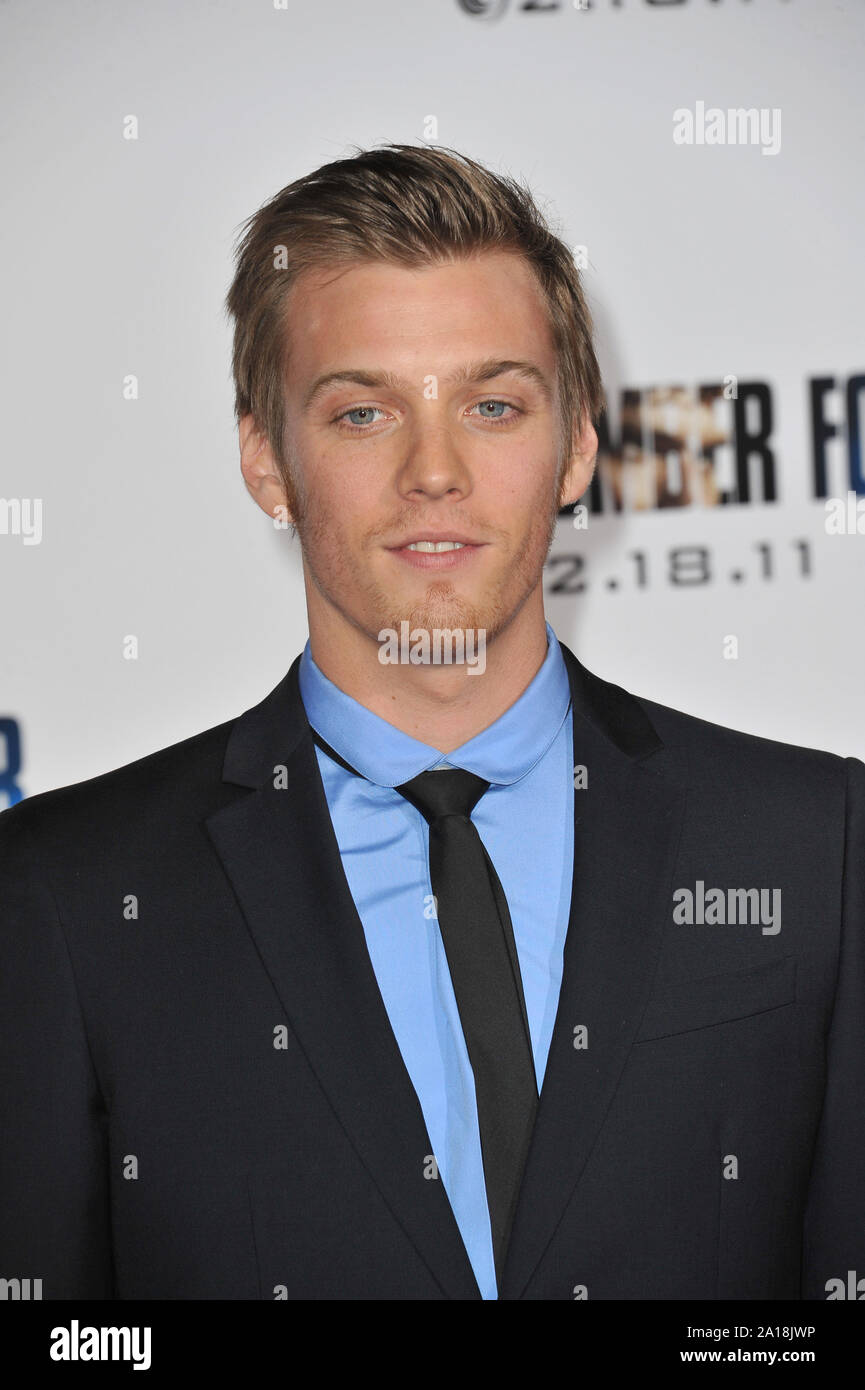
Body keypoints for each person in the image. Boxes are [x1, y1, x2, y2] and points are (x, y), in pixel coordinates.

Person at [1, 144, 862, 1301]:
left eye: (492, 404)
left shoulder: (815, 844)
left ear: (579, 444)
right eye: (363, 413)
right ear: (267, 458)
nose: (435, 471)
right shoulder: (67, 894)